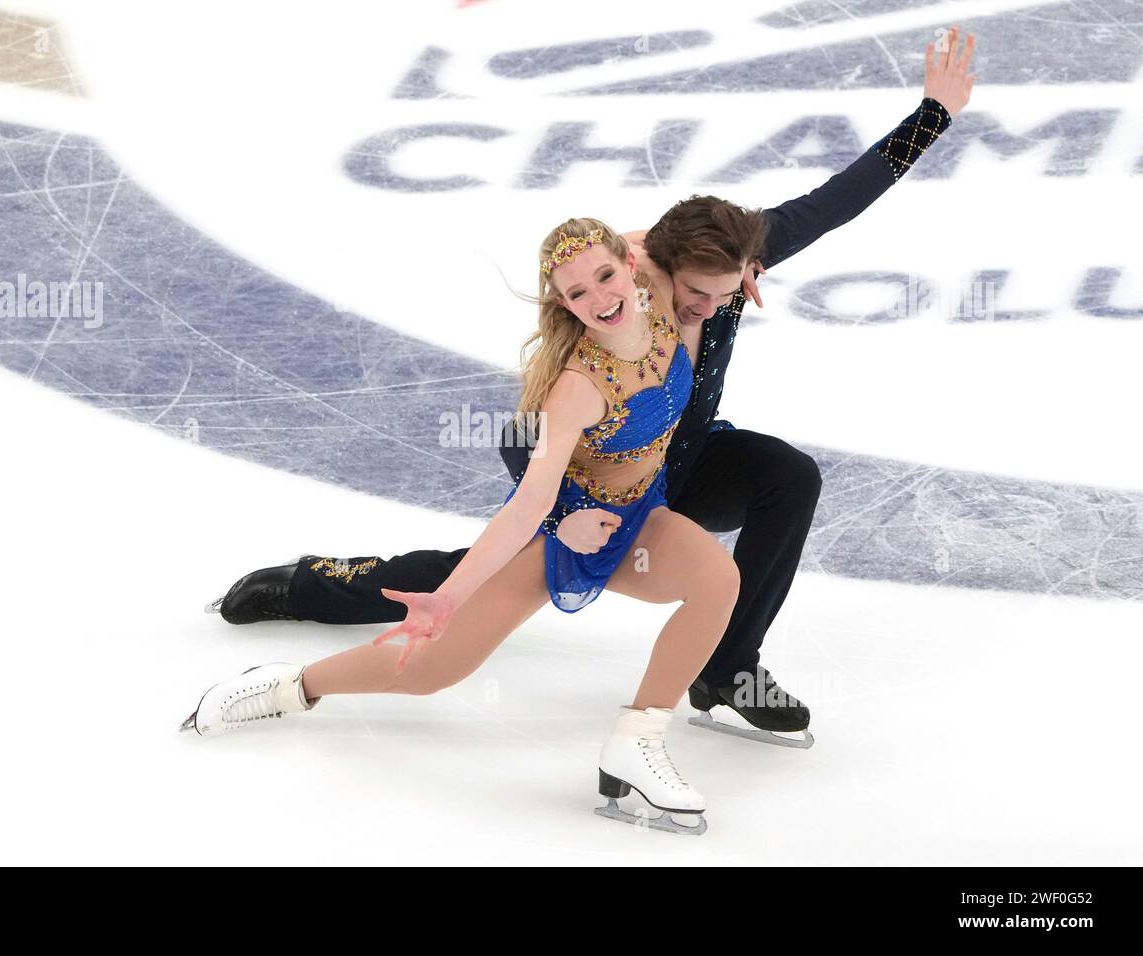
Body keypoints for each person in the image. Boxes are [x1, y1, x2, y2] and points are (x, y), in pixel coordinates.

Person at [205, 28, 977, 750]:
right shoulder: (611, 304)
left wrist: (934, 114)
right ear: (655, 270)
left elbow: (837, 200)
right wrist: (576, 513)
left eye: (726, 288)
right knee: (471, 581)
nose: (712, 307)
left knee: (788, 478)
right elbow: (530, 439)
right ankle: (320, 585)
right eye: (696, 294)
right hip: (586, 477)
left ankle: (727, 665)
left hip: (682, 454)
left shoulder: (727, 259)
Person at [184, 219, 738, 835]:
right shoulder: (577, 388)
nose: (599, 300)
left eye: (606, 276)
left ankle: (636, 742)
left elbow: (741, 230)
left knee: (716, 578)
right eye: (577, 294)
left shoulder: (661, 285)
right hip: (564, 529)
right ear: (561, 301)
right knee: (431, 670)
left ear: (630, 263)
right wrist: (449, 597)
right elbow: (527, 503)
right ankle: (290, 686)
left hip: (640, 512)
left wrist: (748, 261)